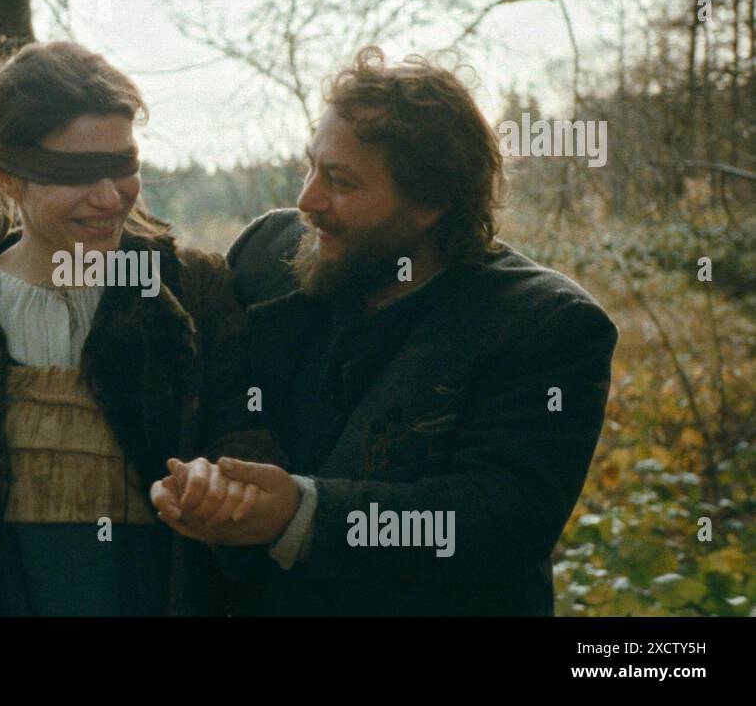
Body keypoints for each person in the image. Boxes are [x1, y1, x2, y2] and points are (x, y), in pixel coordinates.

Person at [149, 46, 619, 615]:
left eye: (340, 182)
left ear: (432, 202)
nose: (306, 200)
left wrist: (303, 515)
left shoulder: (545, 324)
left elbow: (496, 524)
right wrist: (198, 478)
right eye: (310, 166)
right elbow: (213, 393)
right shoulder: (264, 256)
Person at [0, 40, 281, 616]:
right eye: (75, 173)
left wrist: (217, 482)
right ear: (9, 180)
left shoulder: (189, 290)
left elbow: (244, 432)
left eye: (123, 164)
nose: (109, 197)